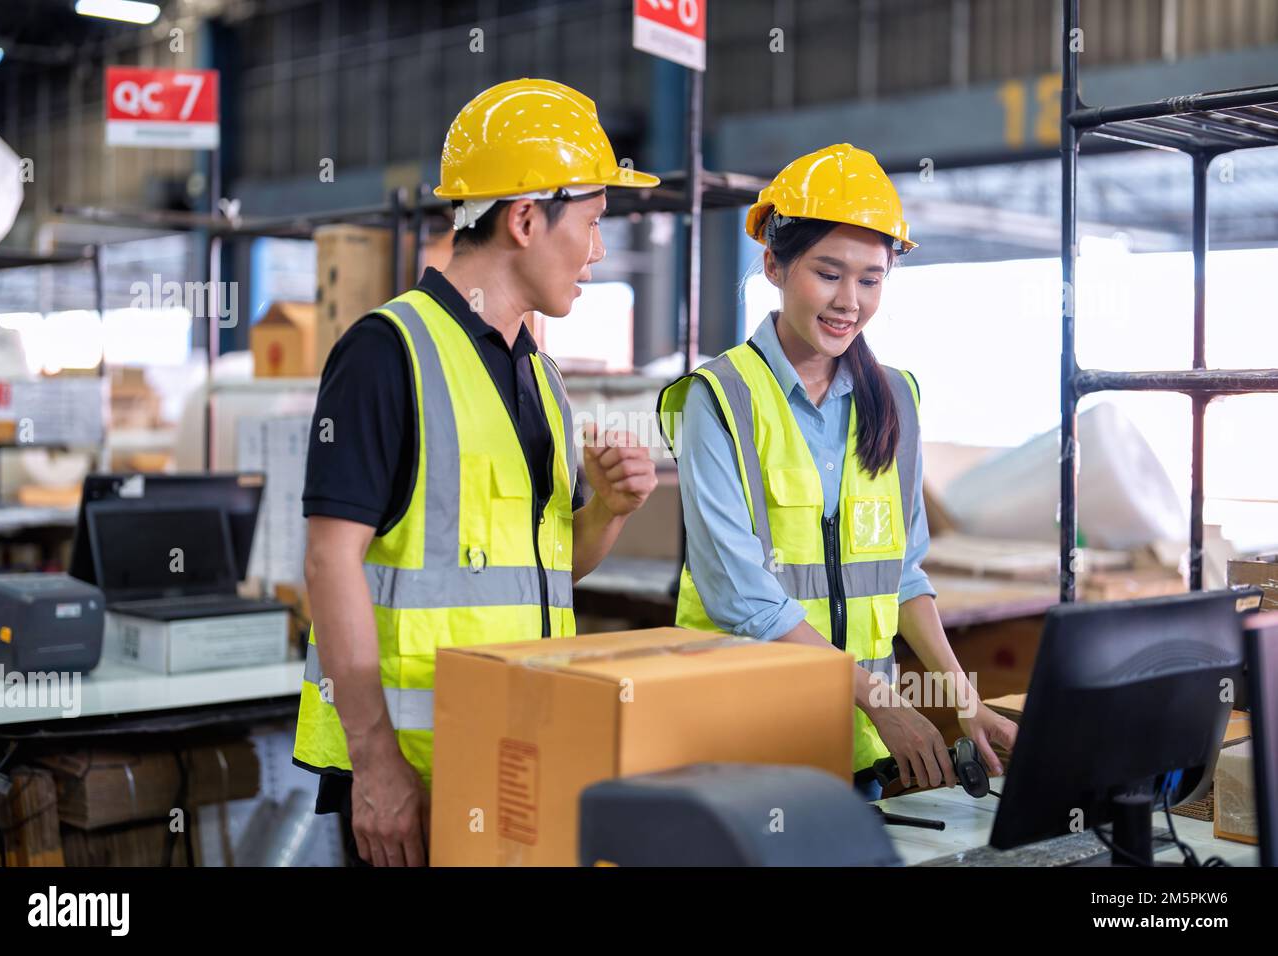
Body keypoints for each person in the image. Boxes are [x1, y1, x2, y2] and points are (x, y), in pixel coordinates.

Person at [293, 78, 661, 866]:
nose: (598, 251)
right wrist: (377, 764)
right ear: (526, 217)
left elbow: (545, 567)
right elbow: (329, 562)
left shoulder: (541, 374)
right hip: (414, 777)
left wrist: (610, 511)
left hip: (517, 760)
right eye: (592, 223)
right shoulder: (387, 352)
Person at [657, 143, 1017, 799]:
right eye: (827, 273)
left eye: (870, 279)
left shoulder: (897, 400)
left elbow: (904, 574)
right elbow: (740, 595)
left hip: (856, 754)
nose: (849, 300)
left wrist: (964, 700)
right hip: (739, 744)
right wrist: (881, 699)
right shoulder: (717, 399)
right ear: (774, 265)